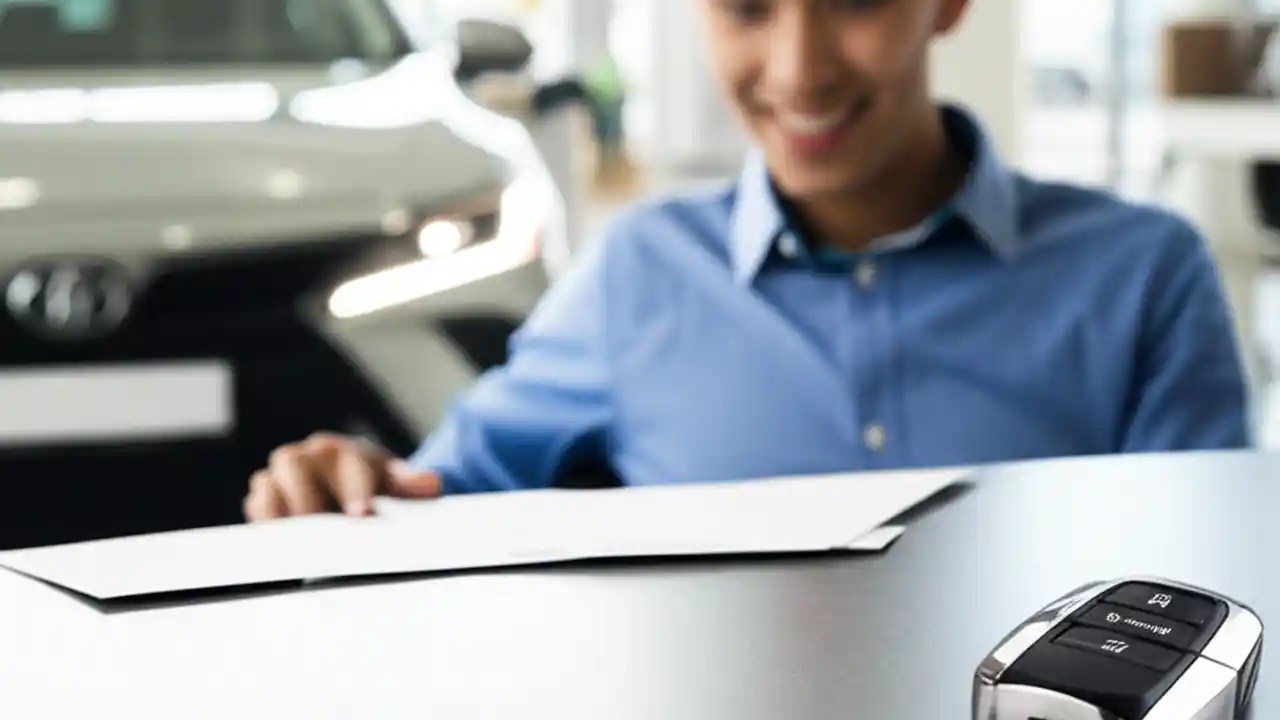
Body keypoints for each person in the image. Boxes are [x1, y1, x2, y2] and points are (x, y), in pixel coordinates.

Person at [244, 0, 1249, 521]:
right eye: (745, 8)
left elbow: (1211, 607)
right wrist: (349, 484)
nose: (799, 68)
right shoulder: (637, 275)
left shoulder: (1143, 278)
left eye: (852, 0)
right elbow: (435, 501)